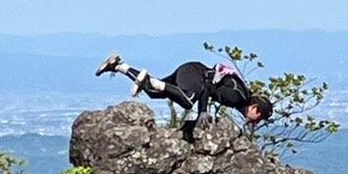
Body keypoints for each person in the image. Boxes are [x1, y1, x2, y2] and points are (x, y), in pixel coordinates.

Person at [95, 53, 273, 129]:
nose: (256, 123)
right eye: (259, 118)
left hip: (190, 71)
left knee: (150, 91)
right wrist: (203, 112)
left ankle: (118, 66)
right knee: (188, 101)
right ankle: (155, 82)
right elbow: (208, 88)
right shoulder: (238, 98)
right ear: (255, 109)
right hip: (194, 73)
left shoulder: (241, 95)